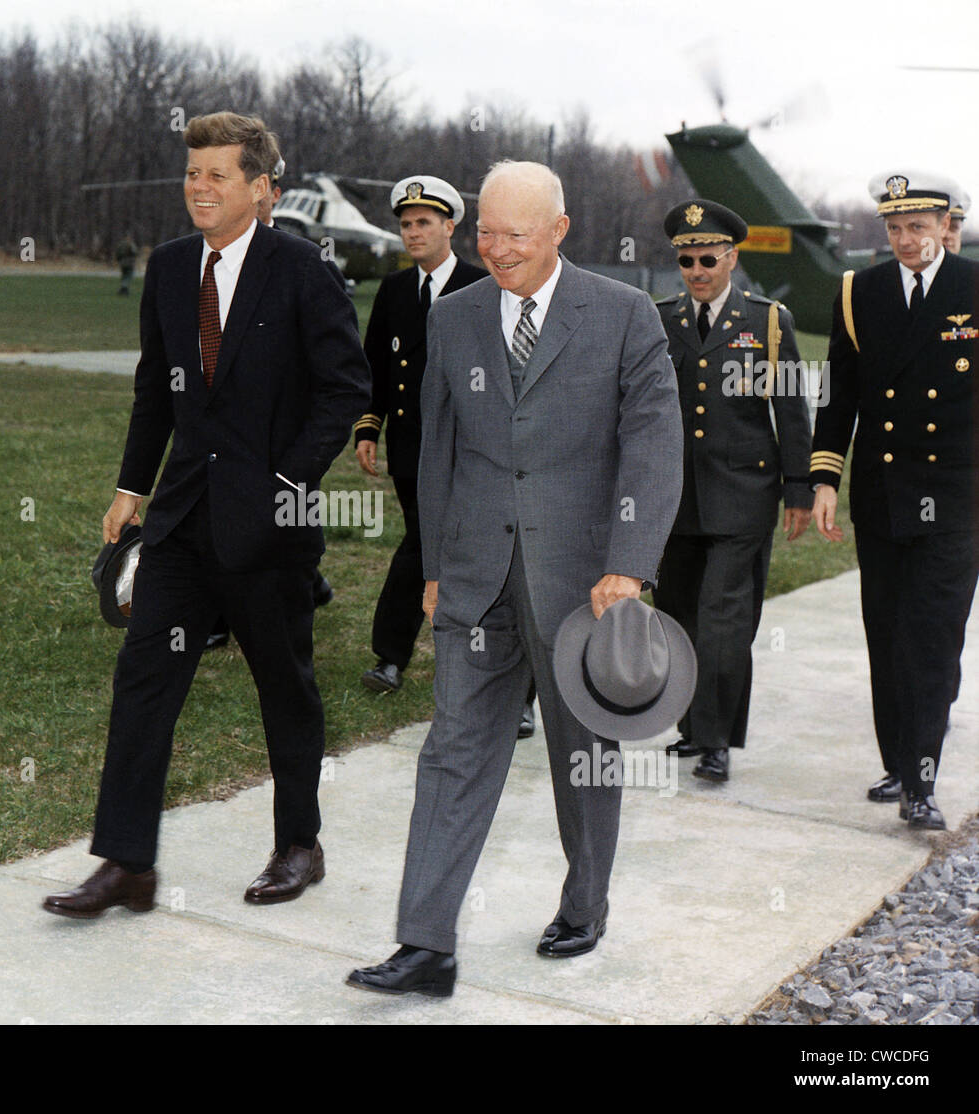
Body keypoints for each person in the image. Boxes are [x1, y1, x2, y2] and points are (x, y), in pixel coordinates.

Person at [346, 161, 682, 995]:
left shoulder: (623, 315)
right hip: (474, 575)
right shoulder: (455, 320)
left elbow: (653, 446)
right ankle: (425, 945)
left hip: (583, 584)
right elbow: (437, 450)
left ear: (560, 231)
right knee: (454, 751)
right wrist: (430, 566)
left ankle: (585, 902)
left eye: (515, 237)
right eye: (485, 232)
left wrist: (629, 567)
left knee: (581, 754)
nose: (494, 250)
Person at [43, 112, 371, 918]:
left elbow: (346, 390)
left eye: (216, 175)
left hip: (271, 527)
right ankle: (126, 863)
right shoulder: (168, 268)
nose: (198, 187)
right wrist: (131, 488)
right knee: (144, 682)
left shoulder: (302, 270)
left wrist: (286, 478)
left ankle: (299, 844)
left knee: (284, 684)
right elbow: (156, 387)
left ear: (262, 190)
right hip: (183, 523)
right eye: (192, 173)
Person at [810, 168, 978, 831]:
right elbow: (838, 394)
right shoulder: (859, 292)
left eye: (918, 226)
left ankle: (921, 782)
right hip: (882, 496)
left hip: (958, 496)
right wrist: (825, 478)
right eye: (895, 228)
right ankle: (899, 763)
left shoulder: (974, 288)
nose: (906, 239)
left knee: (933, 640)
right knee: (887, 636)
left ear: (945, 227)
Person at [652, 199, 813, 782]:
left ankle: (717, 740)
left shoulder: (768, 321)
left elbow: (791, 409)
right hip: (674, 498)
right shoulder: (659, 317)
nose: (697, 271)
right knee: (677, 613)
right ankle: (693, 729)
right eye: (687, 260)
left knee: (724, 619)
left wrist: (799, 487)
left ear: (732, 257)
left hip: (743, 495)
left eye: (708, 259)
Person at [352, 176, 485, 694]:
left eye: (424, 223)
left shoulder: (481, 286)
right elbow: (376, 368)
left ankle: (503, 682)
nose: (413, 233)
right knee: (421, 542)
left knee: (459, 552)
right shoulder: (394, 290)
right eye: (405, 225)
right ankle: (390, 657)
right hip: (413, 449)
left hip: (471, 450)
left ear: (450, 226)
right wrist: (369, 426)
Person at [206, 154, 334, 652]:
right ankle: (217, 615)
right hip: (223, 432)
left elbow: (332, 370)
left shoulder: (304, 262)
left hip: (286, 434)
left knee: (288, 528)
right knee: (217, 522)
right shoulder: (208, 258)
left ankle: (304, 589)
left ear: (272, 194)